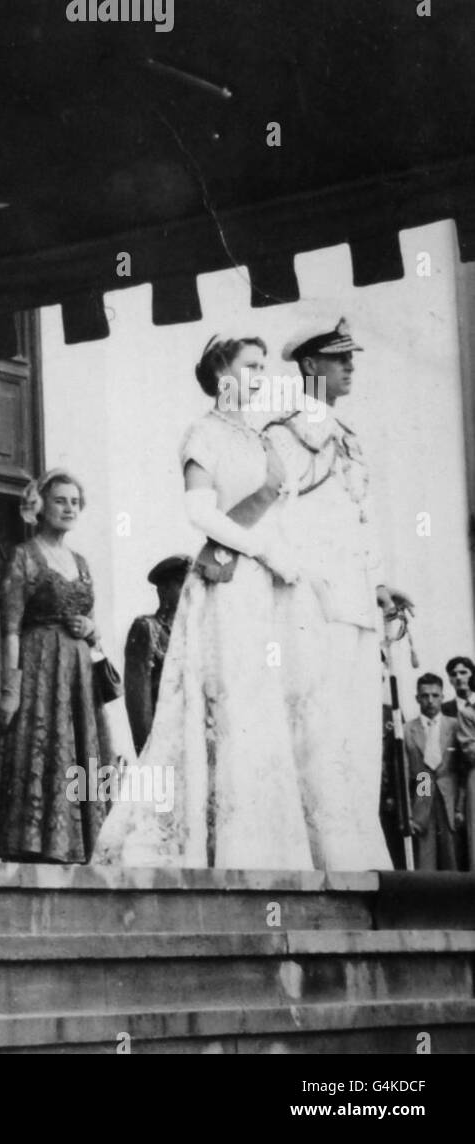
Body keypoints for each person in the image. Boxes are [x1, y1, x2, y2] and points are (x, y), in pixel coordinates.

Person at [95, 335, 320, 869]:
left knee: (263, 706)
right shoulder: (203, 432)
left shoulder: (264, 441)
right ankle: (215, 843)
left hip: (265, 586)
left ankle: (263, 844)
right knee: (226, 704)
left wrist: (289, 561)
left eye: (265, 366)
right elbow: (200, 511)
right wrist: (264, 548)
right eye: (250, 366)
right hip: (227, 584)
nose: (261, 376)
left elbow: (279, 513)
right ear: (222, 374)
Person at [264, 316, 401, 869]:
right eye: (339, 357)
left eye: (352, 357)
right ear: (308, 366)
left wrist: (380, 584)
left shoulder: (350, 438)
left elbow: (359, 519)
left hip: (356, 605)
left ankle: (358, 850)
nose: (350, 366)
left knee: (358, 734)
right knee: (317, 729)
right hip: (312, 605)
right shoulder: (284, 434)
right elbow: (279, 519)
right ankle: (323, 854)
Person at [0, 469, 117, 863]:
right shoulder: (25, 556)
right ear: (41, 506)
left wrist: (91, 629)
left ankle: (77, 846)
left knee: (78, 750)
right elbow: (10, 628)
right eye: (60, 500)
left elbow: (94, 622)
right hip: (38, 668)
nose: (69, 508)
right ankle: (35, 847)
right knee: (40, 747)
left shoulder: (83, 563)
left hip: (77, 673)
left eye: (75, 502)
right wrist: (11, 688)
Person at [123, 554, 190, 755]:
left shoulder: (193, 631)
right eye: (181, 586)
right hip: (162, 740)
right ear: (164, 590)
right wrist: (148, 750)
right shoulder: (146, 628)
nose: (189, 594)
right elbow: (138, 700)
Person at [403, 674, 464, 871]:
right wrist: (408, 815)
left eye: (435, 695)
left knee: (452, 858)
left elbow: (463, 770)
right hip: (423, 789)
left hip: (450, 796)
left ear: (442, 697)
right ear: (417, 698)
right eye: (425, 696)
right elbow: (403, 774)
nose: (430, 701)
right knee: (424, 860)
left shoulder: (455, 726)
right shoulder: (406, 730)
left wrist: (460, 807)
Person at [442, 655, 475, 719]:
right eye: (453, 674)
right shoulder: (442, 710)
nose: (458, 677)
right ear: (450, 680)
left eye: (463, 672)